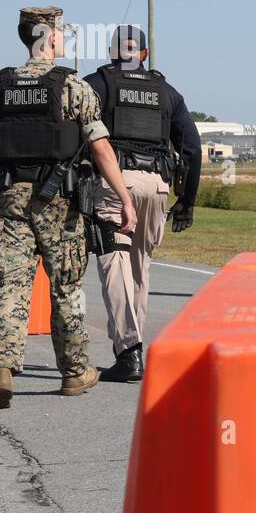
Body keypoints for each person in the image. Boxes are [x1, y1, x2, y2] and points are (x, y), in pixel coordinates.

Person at [0, 6, 136, 410]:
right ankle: (74, 371)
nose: (64, 40)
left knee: (10, 284)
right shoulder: (72, 86)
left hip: (12, 196)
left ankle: (2, 367)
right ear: (48, 38)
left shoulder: (1, 84)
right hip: (59, 204)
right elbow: (100, 147)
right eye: (62, 34)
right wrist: (124, 198)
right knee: (65, 286)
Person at [83, 25, 202, 383]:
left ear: (111, 52)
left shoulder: (96, 84)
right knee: (139, 266)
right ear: (145, 55)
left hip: (115, 182)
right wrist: (187, 203)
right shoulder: (166, 91)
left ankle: (129, 351)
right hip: (158, 187)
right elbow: (193, 149)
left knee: (114, 262)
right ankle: (131, 345)